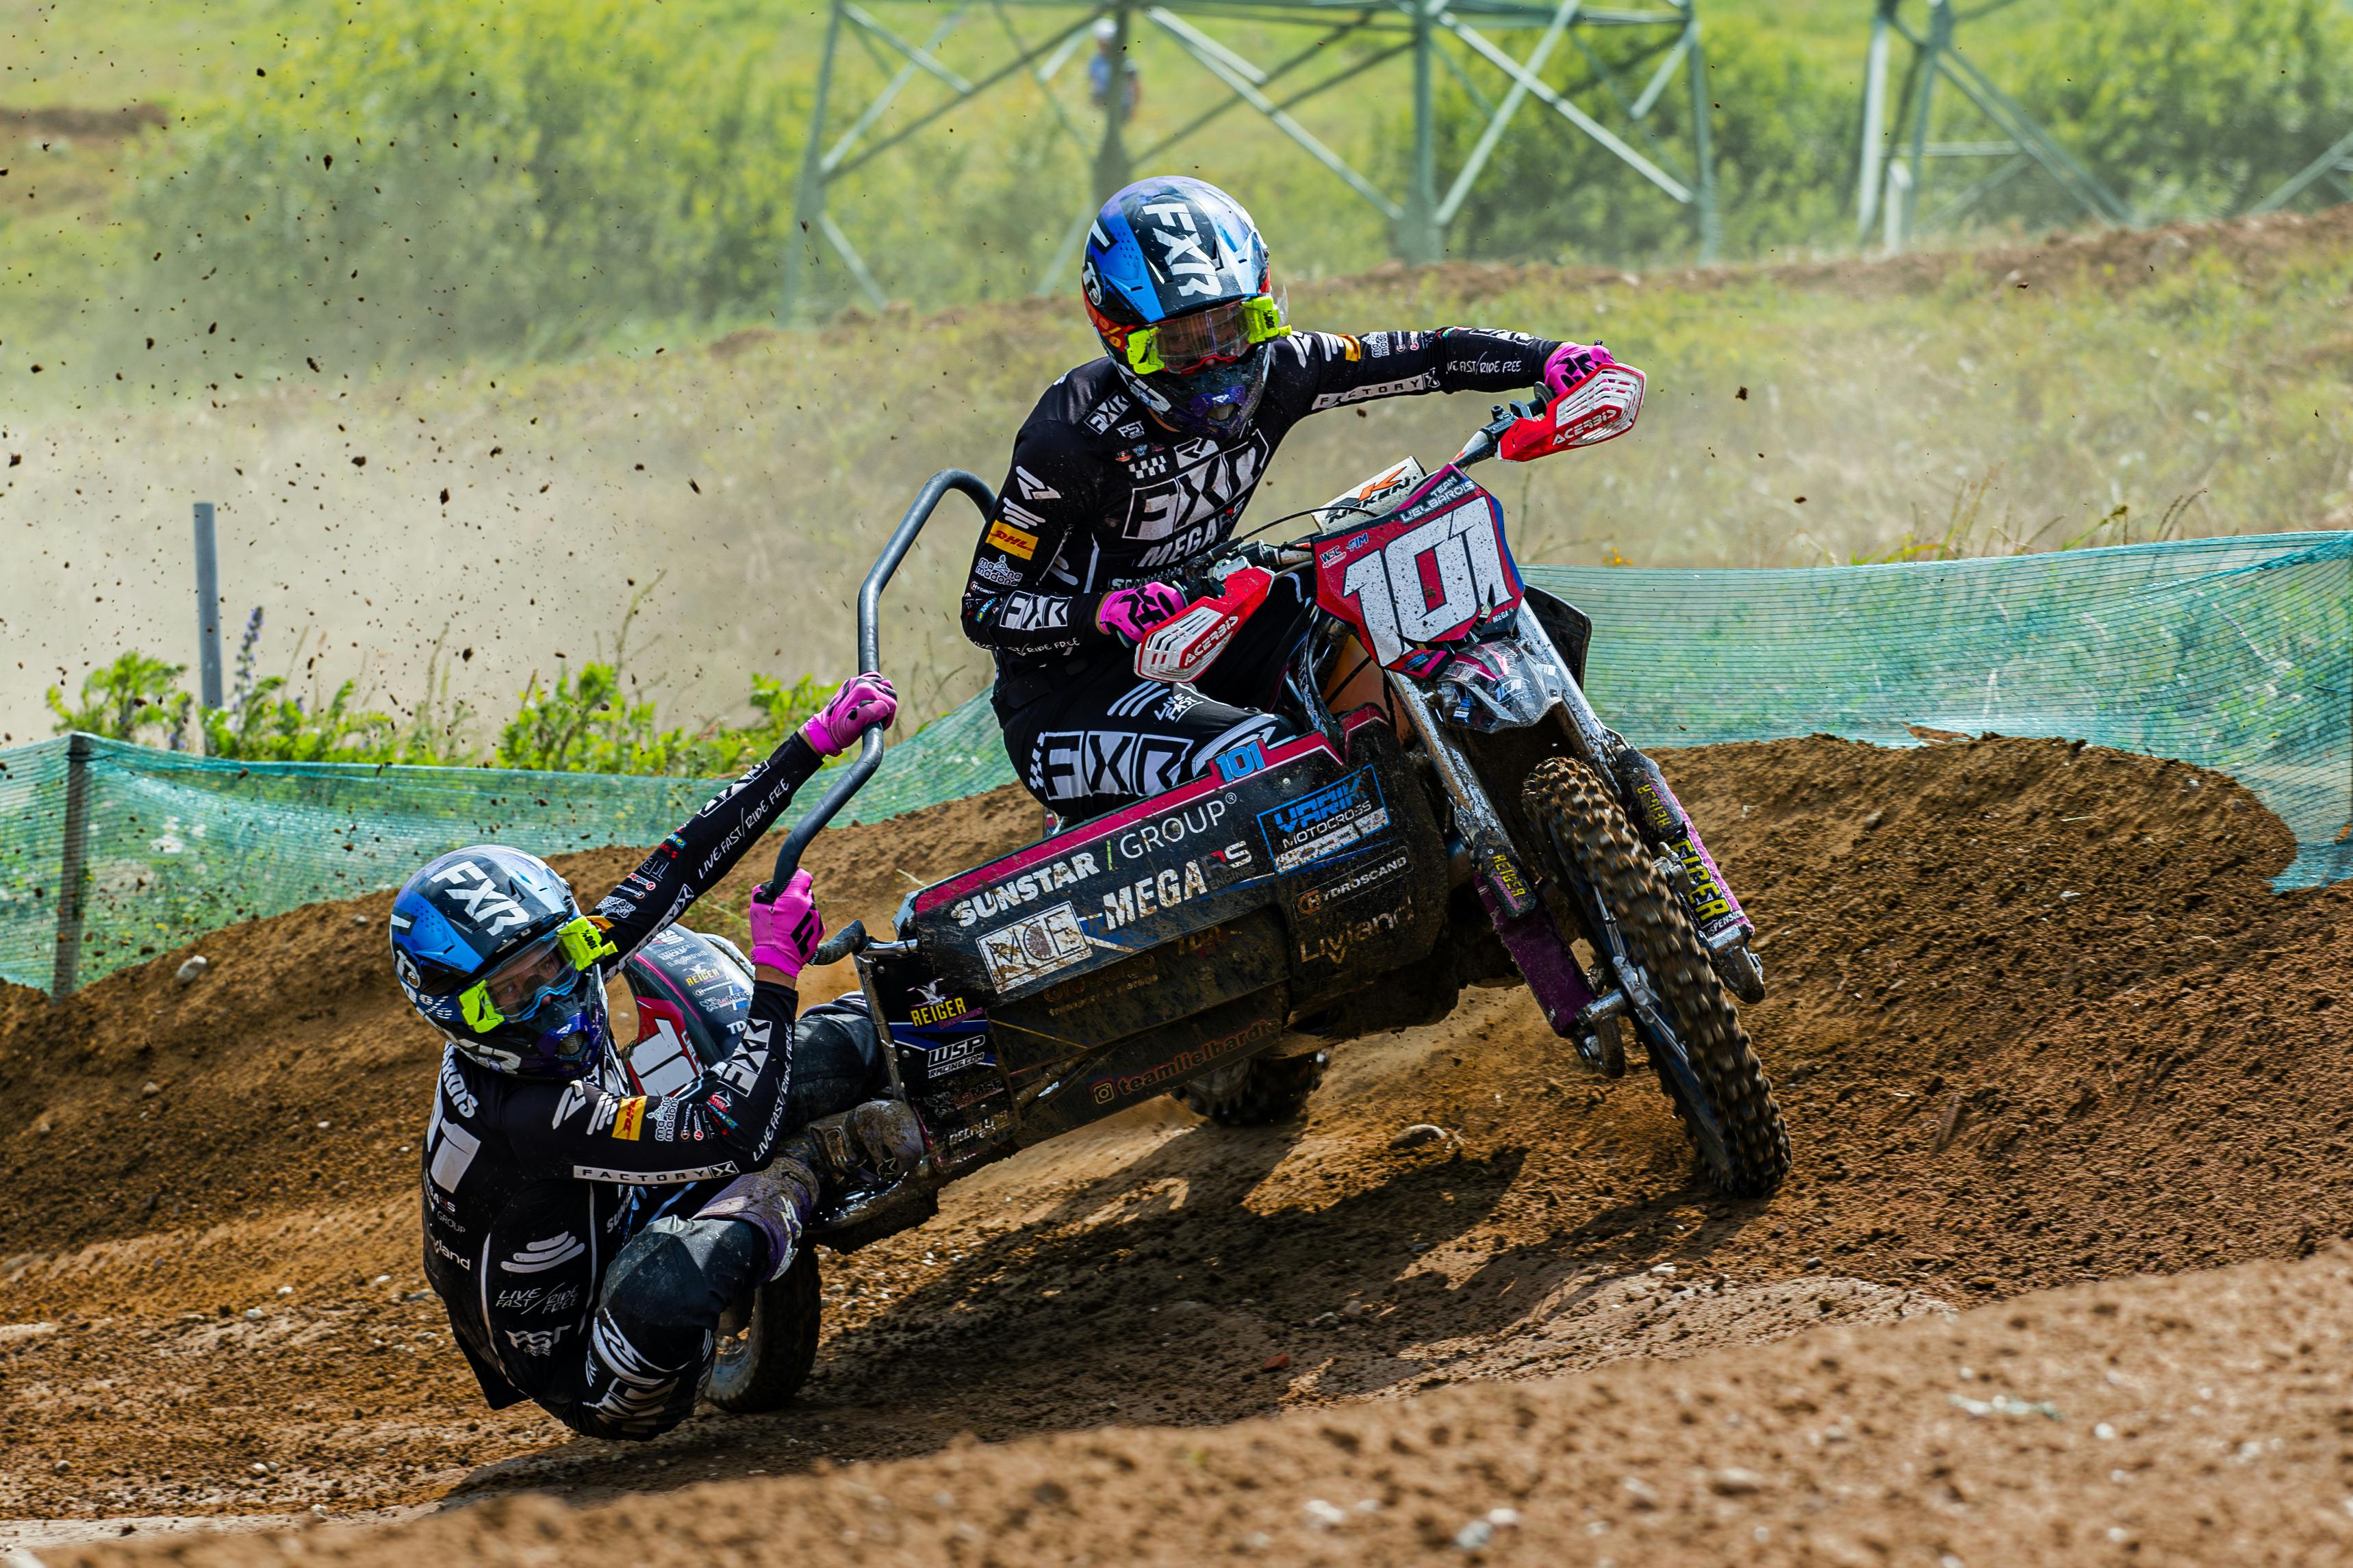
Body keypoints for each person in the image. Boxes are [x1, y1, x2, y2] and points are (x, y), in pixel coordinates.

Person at [959, 175, 1621, 823]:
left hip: (1210, 628)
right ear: (1120, 338)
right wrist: (1102, 611)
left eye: (1232, 327)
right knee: (1270, 763)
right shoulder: (1068, 439)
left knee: (1412, 609)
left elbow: (1428, 355)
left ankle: (1469, 808)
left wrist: (1549, 359)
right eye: (1182, 345)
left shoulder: (1283, 365)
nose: (1218, 363)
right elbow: (984, 607)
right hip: (1071, 696)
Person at [394, 673, 906, 1441]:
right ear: (455, 1016)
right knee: (682, 1269)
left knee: (839, 1040)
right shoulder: (523, 1112)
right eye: (509, 995)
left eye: (556, 961)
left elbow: (680, 862)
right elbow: (731, 1131)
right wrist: (775, 973)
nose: (551, 997)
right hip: (595, 1364)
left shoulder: (568, 954)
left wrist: (807, 745)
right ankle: (811, 1167)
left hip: (624, 1204)